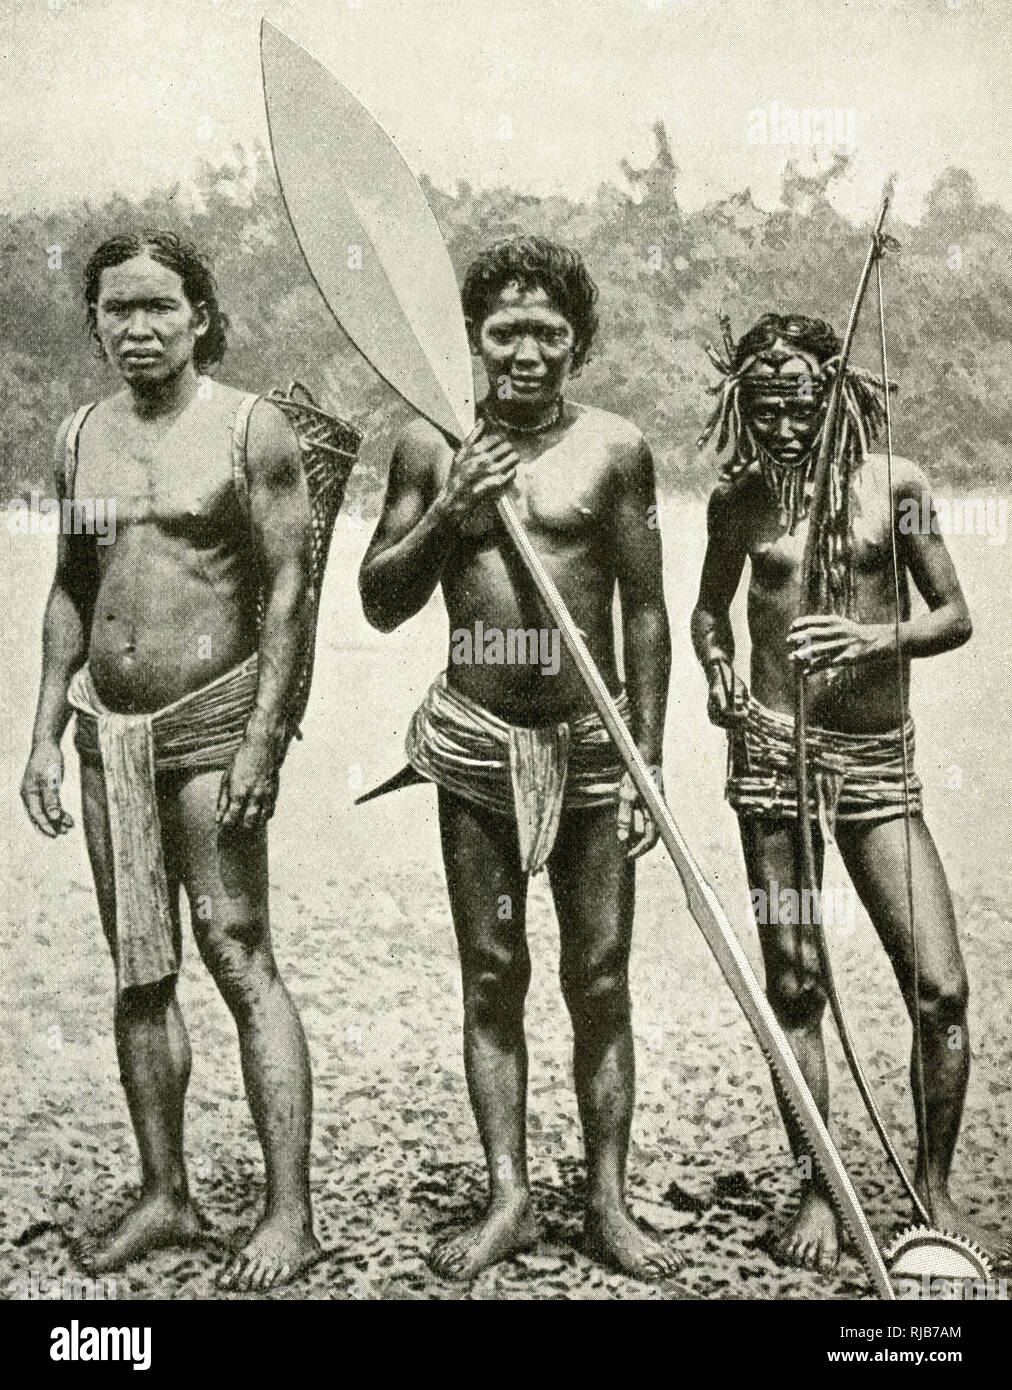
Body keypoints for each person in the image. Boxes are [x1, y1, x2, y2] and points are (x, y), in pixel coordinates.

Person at [358, 236, 680, 1281]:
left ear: (577, 342)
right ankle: (509, 1196)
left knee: (600, 979)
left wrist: (651, 762)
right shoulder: (425, 444)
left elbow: (643, 614)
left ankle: (609, 1201)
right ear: (473, 341)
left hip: (592, 748)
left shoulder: (617, 448)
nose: (528, 351)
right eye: (506, 331)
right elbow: (379, 597)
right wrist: (452, 508)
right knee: (493, 976)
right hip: (475, 744)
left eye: (549, 331)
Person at [20, 230, 321, 1291]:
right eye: (117, 310)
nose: (138, 328)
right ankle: (166, 1189)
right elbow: (72, 584)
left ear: (199, 314)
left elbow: (289, 587)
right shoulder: (77, 439)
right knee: (140, 966)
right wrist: (46, 730)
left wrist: (262, 741)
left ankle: (290, 1210)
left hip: (212, 723)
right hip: (113, 730)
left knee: (239, 954)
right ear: (96, 320)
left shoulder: (249, 427)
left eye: (159, 307)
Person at [690, 311, 991, 1270]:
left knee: (940, 989)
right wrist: (718, 667)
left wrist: (876, 639)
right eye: (765, 405)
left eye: (800, 402)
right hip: (772, 761)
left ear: (835, 390)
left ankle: (932, 1190)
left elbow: (955, 615)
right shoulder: (739, 500)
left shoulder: (894, 487)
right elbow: (708, 609)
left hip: (876, 768)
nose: (783, 423)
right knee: (795, 983)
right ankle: (822, 1188)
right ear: (744, 403)